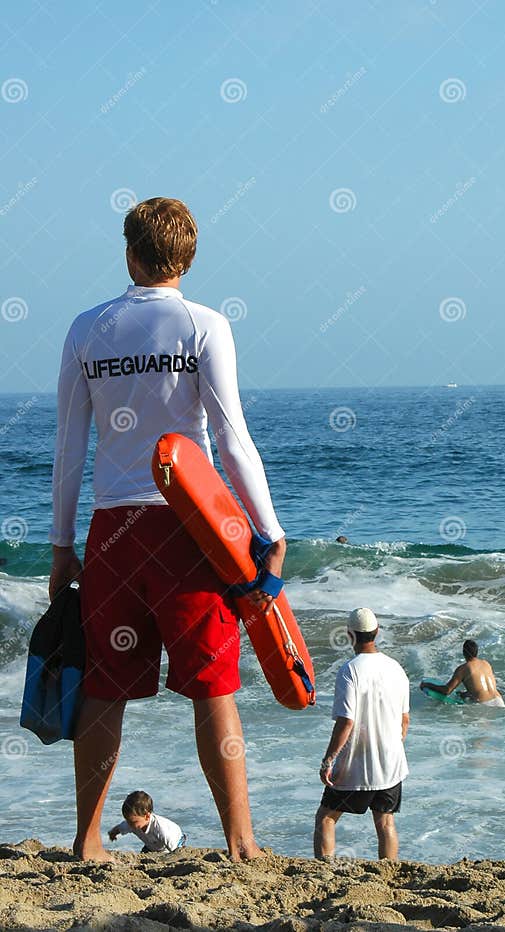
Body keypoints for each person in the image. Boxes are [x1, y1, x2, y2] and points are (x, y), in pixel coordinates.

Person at [48, 197, 286, 863]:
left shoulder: (85, 330)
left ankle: (89, 840)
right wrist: (269, 530)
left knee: (104, 686)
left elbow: (69, 449)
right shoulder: (204, 325)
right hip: (190, 529)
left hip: (112, 533)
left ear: (129, 253)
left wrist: (63, 546)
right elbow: (232, 439)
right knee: (212, 685)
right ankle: (241, 842)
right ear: (188, 256)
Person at [314, 608, 410, 861]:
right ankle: (387, 873)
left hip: (355, 763)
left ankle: (324, 870)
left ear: (349, 635)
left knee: (326, 817)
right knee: (385, 823)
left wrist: (329, 759)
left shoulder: (350, 670)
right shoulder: (396, 668)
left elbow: (346, 722)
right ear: (376, 633)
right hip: (390, 762)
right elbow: (404, 720)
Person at [420, 640, 505, 707]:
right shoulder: (486, 664)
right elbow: (483, 688)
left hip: (485, 706)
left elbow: (446, 691)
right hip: (499, 701)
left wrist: (428, 685)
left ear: (464, 652)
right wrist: (466, 694)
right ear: (476, 651)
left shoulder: (463, 669)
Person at [109, 790, 185, 853]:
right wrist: (112, 833)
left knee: (170, 854)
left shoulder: (161, 829)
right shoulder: (131, 823)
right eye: (127, 820)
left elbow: (176, 852)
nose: (129, 825)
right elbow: (119, 828)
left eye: (133, 822)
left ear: (147, 816)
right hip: (153, 844)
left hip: (176, 839)